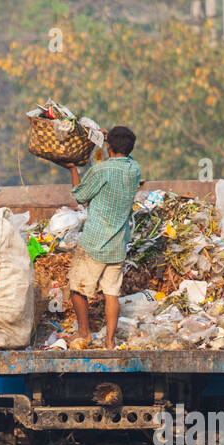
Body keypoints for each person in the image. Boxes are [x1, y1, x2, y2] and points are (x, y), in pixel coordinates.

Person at [66, 125, 140, 349]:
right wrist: (114, 139)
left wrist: (72, 169)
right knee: (111, 294)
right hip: (118, 244)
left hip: (95, 242)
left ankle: (84, 334)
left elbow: (80, 196)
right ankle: (110, 341)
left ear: (108, 146)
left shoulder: (101, 171)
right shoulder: (134, 169)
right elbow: (127, 155)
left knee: (77, 288)